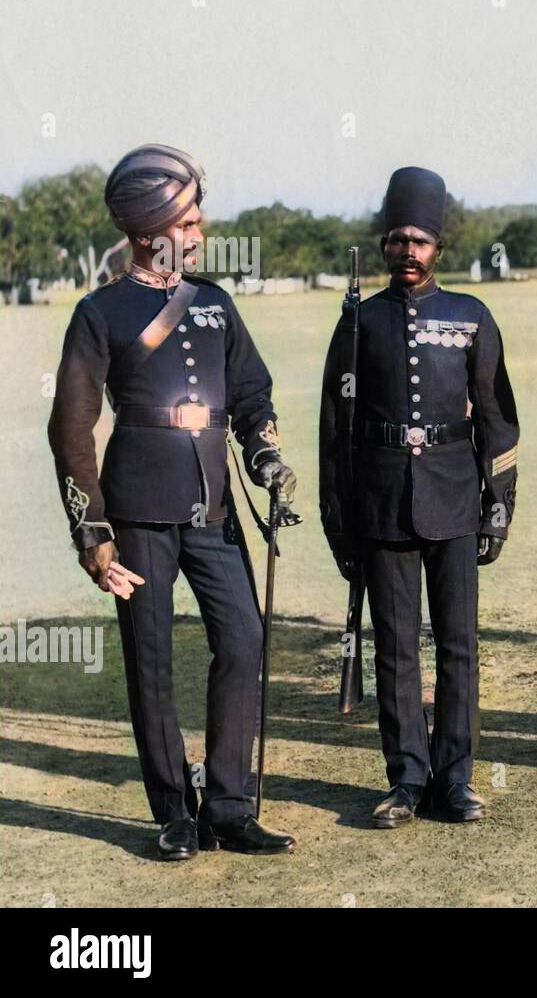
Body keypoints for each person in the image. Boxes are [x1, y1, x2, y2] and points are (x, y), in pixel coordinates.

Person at [48, 144, 298, 858]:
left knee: (244, 641)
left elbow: (252, 396)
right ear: (149, 228)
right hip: (136, 513)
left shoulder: (216, 304)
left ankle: (226, 805)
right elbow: (71, 429)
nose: (201, 230)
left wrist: (267, 456)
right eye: (188, 219)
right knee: (151, 660)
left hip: (213, 508)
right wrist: (92, 533)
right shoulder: (100, 313)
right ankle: (174, 813)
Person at [319, 167, 519, 827]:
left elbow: (496, 418)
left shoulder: (470, 317)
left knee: (459, 643)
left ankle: (455, 779)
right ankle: (406, 780)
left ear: (439, 246)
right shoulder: (358, 321)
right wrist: (339, 525)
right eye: (398, 239)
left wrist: (499, 505)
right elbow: (333, 432)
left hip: (456, 496)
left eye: (421, 241)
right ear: (383, 243)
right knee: (395, 648)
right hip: (380, 505)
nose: (409, 252)